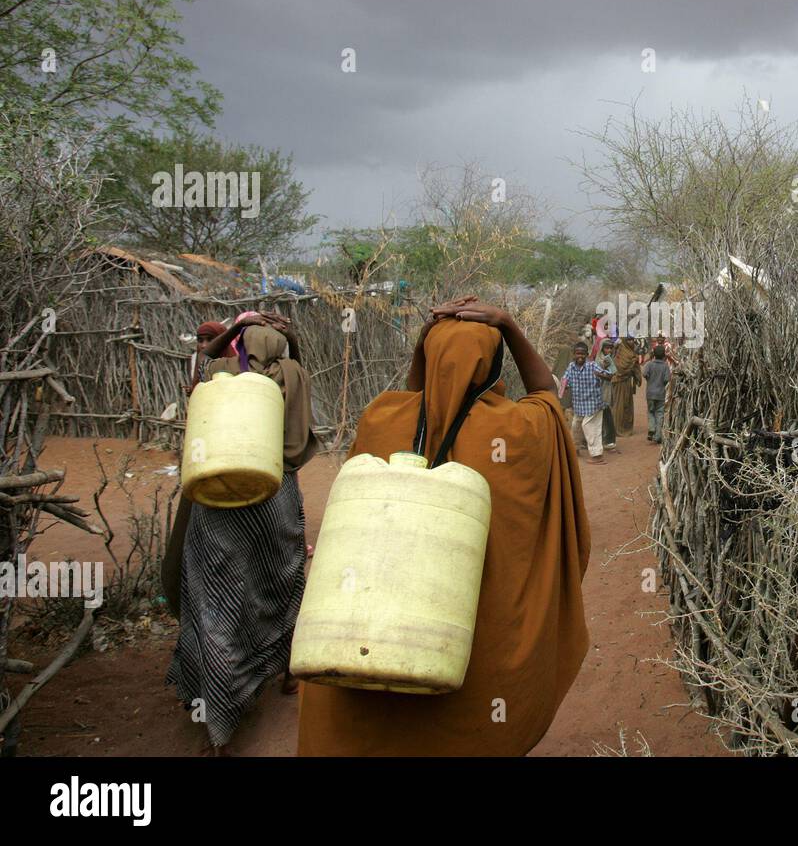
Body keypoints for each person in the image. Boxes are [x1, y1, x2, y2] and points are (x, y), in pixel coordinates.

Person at [298, 298, 591, 756]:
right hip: (464, 647)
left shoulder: (381, 419)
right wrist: (509, 327)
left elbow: (418, 396)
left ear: (425, 358)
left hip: (373, 633)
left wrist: (427, 345)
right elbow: (548, 393)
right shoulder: (520, 430)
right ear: (494, 368)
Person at [164, 318, 320, 755]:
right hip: (277, 498)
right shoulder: (291, 376)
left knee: (217, 600)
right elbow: (298, 364)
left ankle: (218, 709)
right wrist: (289, 337)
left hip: (219, 504)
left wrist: (229, 335)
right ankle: (286, 673)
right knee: (281, 582)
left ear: (240, 344)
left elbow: (198, 368)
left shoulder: (219, 376)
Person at [563, 340, 612, 465]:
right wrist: (564, 386)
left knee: (589, 427)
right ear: (574, 354)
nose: (580, 356)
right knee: (575, 426)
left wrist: (601, 375)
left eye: (583, 354)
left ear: (587, 354)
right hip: (579, 405)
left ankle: (597, 455)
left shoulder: (592, 365)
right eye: (578, 354)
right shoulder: (571, 367)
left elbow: (609, 375)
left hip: (593, 404)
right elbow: (565, 380)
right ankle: (575, 449)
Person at [610, 337, 642, 437]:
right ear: (624, 341)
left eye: (632, 340)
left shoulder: (631, 354)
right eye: (628, 340)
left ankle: (625, 427)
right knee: (618, 405)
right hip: (618, 382)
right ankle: (617, 428)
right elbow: (617, 366)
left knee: (626, 405)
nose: (631, 342)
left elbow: (636, 369)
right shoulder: (619, 352)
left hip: (626, 383)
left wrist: (637, 377)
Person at [644, 345, 671, 444]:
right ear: (664, 355)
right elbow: (667, 379)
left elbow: (645, 374)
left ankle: (651, 428)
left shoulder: (649, 364)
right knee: (659, 413)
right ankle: (658, 436)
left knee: (651, 411)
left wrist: (650, 381)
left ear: (653, 354)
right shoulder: (665, 366)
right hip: (660, 394)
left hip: (650, 393)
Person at [597, 339, 618, 452]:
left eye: (610, 348)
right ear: (602, 348)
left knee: (606, 416)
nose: (609, 350)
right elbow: (596, 374)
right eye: (606, 348)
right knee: (600, 417)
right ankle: (603, 441)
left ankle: (608, 441)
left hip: (606, 391)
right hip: (598, 392)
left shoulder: (610, 360)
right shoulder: (598, 360)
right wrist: (604, 369)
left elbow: (613, 373)